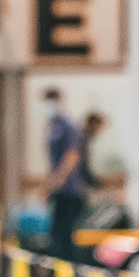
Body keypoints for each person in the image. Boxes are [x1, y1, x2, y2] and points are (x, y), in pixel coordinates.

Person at [43, 88, 85, 261]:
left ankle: (70, 276)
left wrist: (58, 179)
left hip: (70, 190)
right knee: (56, 234)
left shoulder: (67, 125)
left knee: (66, 236)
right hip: (59, 190)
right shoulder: (52, 125)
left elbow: (72, 155)